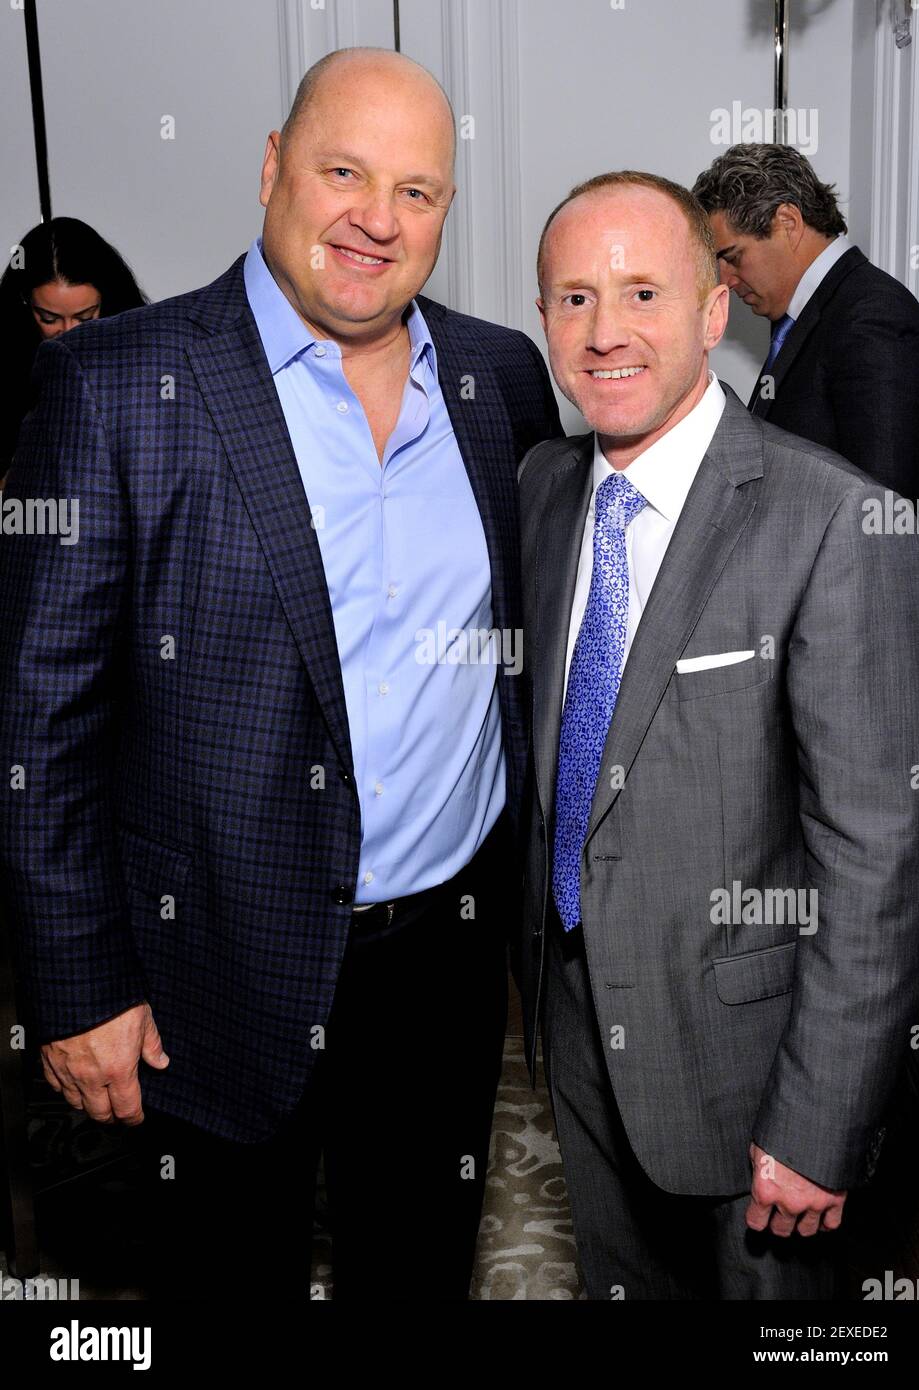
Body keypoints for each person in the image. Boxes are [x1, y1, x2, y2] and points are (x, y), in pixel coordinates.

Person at [0, 47, 560, 1301]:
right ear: (270, 169)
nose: (377, 217)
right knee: (224, 1278)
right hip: (210, 960)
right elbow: (41, 719)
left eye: (416, 190)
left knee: (413, 1265)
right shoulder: (115, 386)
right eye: (344, 171)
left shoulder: (496, 382)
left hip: (443, 959)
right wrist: (77, 981)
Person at [514, 169, 919, 1299]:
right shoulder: (543, 492)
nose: (605, 331)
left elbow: (876, 856)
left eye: (642, 292)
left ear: (712, 312)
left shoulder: (831, 520)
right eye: (571, 299)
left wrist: (819, 1116)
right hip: (577, 1026)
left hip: (753, 1078)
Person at [692, 143, 919, 593]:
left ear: (787, 222)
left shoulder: (871, 316)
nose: (725, 279)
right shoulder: (809, 314)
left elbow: (883, 514)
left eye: (733, 256)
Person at [0, 217, 147, 483]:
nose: (69, 332)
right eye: (49, 318)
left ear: (109, 300)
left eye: (85, 317)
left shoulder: (142, 359)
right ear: (24, 304)